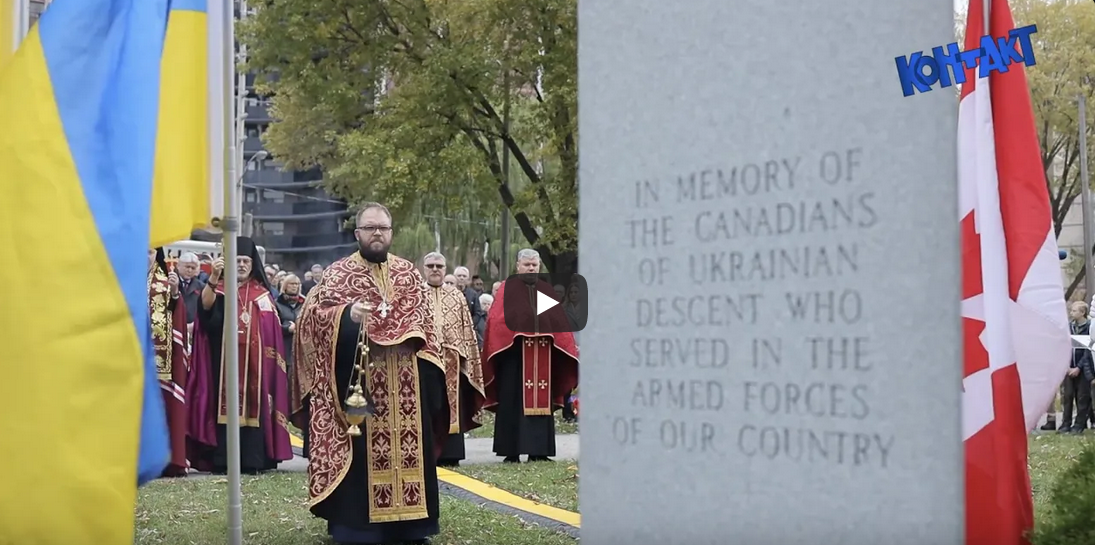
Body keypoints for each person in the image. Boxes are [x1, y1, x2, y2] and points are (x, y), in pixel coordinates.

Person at [292, 203, 448, 545]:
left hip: (407, 379)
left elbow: (426, 323)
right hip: (358, 381)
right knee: (361, 454)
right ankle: (357, 528)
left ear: (391, 233)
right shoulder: (337, 273)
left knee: (411, 452)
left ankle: (410, 527)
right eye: (370, 228)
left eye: (383, 228)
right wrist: (348, 315)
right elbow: (314, 320)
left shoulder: (409, 273)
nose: (377, 233)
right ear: (357, 233)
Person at [188, 237, 294, 474]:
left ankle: (254, 459)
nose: (242, 265)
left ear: (252, 263)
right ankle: (221, 459)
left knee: (255, 408)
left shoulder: (262, 295)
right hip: (221, 362)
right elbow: (205, 310)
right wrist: (214, 278)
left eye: (246, 260)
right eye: (237, 260)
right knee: (222, 405)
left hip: (257, 369)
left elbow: (272, 335)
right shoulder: (220, 287)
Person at [482, 249, 579, 463]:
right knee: (512, 401)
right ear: (518, 266)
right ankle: (511, 451)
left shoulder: (545, 290)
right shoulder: (508, 289)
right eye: (527, 264)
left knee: (541, 401)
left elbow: (559, 323)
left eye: (534, 265)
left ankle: (539, 450)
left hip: (542, 354)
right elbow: (497, 323)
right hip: (513, 357)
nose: (531, 268)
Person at [422, 252, 486, 467]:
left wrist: (469, 359)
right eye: (430, 265)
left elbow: (467, 329)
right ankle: (428, 451)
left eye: (439, 265)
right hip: (425, 359)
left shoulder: (456, 296)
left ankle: (451, 452)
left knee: (451, 405)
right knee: (429, 404)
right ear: (424, 268)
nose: (434, 269)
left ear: (445, 268)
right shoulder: (416, 294)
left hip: (453, 359)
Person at [148, 248, 190, 477]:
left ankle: (167, 461)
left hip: (161, 360)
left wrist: (175, 293)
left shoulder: (165, 282)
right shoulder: (125, 277)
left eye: (150, 252)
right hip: (130, 357)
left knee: (164, 408)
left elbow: (178, 315)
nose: (146, 256)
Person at [276, 273, 307, 455]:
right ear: (284, 286)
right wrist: (287, 328)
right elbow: (271, 324)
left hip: (301, 356)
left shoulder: (304, 303)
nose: (294, 287)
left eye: (297, 284)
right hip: (284, 353)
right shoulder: (276, 303)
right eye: (291, 284)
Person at [1061, 301, 1094, 434]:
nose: (1071, 313)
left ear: (1082, 313)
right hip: (1069, 367)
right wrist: (1067, 366)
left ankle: (1079, 425)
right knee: (1067, 397)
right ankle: (1065, 424)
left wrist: (1079, 367)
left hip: (1082, 368)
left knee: (1082, 397)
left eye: (1074, 311)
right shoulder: (1069, 327)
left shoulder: (1089, 327)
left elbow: (1088, 350)